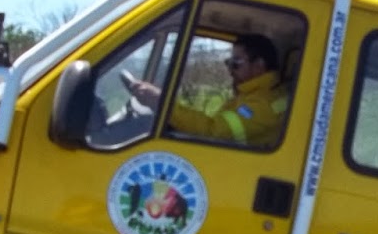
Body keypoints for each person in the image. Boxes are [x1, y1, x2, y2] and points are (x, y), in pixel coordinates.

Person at [121, 33, 287, 148]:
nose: (230, 70)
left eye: (236, 63)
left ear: (259, 65)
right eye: (228, 62)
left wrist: (163, 103)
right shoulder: (251, 94)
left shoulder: (264, 105)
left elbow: (213, 132)